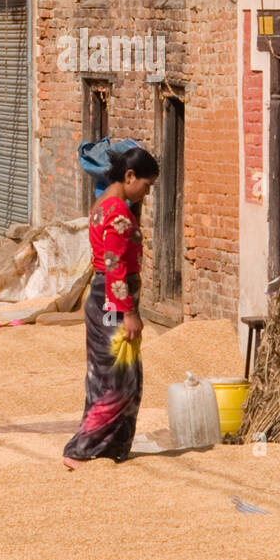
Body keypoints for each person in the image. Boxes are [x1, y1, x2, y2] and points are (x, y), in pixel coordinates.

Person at [62, 146, 159, 469]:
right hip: (113, 301)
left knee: (110, 376)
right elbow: (114, 263)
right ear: (129, 176)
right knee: (118, 381)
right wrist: (128, 312)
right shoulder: (117, 212)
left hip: (105, 298)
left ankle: (109, 448)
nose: (146, 192)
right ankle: (82, 450)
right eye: (146, 185)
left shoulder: (103, 205)